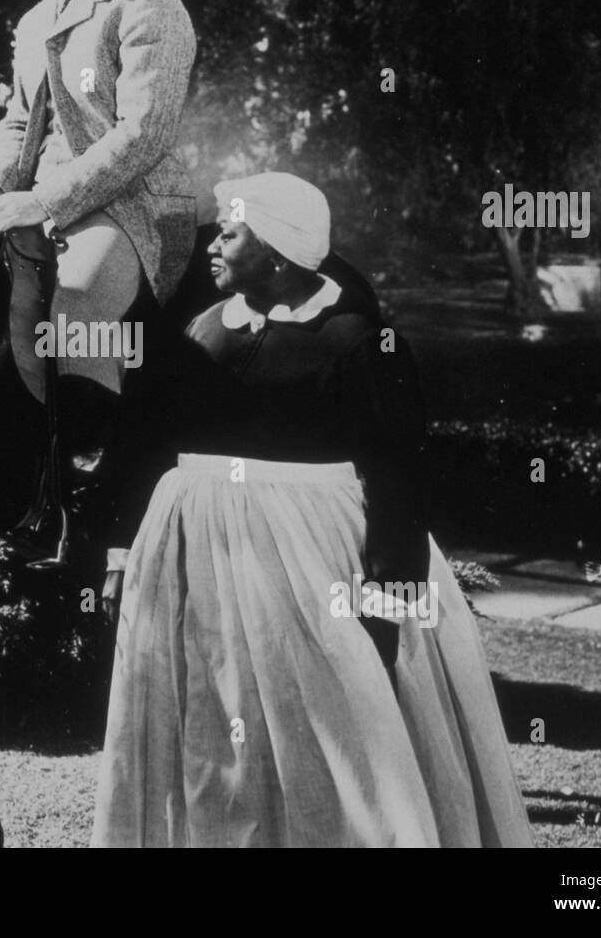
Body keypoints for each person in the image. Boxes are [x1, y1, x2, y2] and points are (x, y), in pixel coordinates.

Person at [92, 172, 533, 847]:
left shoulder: (357, 341)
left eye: (230, 233)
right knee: (216, 731)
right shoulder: (202, 331)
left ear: (276, 250)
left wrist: (388, 605)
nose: (213, 244)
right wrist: (121, 548)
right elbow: (147, 440)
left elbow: (397, 480)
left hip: (312, 568)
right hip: (198, 561)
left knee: (337, 730)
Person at [0, 0, 199, 571]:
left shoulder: (151, 6)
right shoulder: (35, 20)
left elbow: (143, 135)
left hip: (139, 205)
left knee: (75, 297)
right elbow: (17, 121)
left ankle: (81, 506)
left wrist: (43, 200)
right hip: (47, 202)